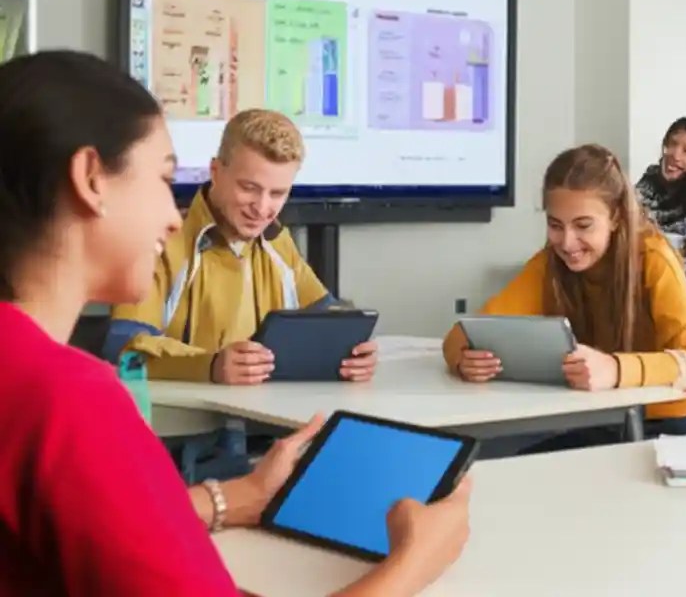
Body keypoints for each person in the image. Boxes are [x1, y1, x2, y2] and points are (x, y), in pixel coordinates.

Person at [0, 50, 470, 596]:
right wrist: (417, 560)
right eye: (163, 179)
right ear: (90, 179)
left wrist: (229, 498)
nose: (173, 214)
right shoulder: (70, 403)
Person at [442, 144, 686, 443]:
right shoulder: (549, 264)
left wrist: (615, 369)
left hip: (675, 423)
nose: (567, 242)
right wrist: (463, 358)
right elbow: (465, 334)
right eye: (555, 225)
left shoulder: (654, 258)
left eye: (583, 225)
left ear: (614, 218)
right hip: (605, 417)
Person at [106, 108, 378, 385]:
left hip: (263, 421)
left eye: (277, 193)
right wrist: (209, 365)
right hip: (183, 424)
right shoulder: (161, 242)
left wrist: (353, 351)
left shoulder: (276, 241)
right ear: (215, 172)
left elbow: (329, 318)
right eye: (249, 188)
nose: (262, 209)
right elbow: (123, 348)